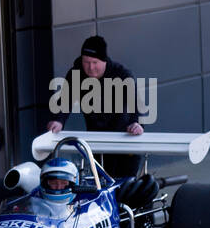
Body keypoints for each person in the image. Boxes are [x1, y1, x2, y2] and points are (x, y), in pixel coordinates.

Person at [46, 35, 144, 177]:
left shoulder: (122, 75)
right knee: (100, 186)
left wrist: (136, 123)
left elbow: (137, 106)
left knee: (124, 190)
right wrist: (58, 120)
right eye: (86, 62)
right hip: (97, 142)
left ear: (104, 60)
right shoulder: (76, 73)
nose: (90, 68)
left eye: (95, 62)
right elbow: (64, 102)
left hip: (125, 142)